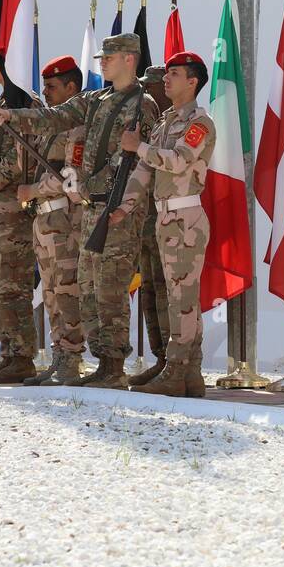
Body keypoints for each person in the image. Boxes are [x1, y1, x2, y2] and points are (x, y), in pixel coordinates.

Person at [0, 34, 157, 389]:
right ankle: (99, 361)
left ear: (129, 59)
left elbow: (130, 159)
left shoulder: (142, 103)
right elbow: (54, 117)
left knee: (110, 287)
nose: (102, 63)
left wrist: (97, 188)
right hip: (93, 205)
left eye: (108, 57)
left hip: (118, 206)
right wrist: (12, 116)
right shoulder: (96, 99)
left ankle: (113, 365)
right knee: (91, 288)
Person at [119, 50, 215, 397]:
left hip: (186, 217)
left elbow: (177, 162)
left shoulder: (199, 123)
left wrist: (139, 147)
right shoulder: (165, 122)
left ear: (192, 82)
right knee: (179, 297)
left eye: (174, 74)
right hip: (166, 216)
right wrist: (123, 207)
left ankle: (178, 371)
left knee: (182, 299)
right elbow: (145, 173)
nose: (166, 79)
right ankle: (189, 374)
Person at [19, 55, 86, 386]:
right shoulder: (51, 128)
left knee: (66, 289)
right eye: (44, 86)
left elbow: (71, 176)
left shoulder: (75, 127)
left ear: (71, 87)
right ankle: (59, 355)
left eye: (52, 87)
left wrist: (33, 188)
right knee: (50, 292)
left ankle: (71, 360)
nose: (45, 93)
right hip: (44, 220)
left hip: (63, 218)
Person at [130, 64, 172, 387]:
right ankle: (160, 357)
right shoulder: (153, 127)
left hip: (167, 217)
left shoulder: (174, 128)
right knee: (148, 289)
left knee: (166, 289)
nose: (146, 92)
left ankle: (172, 359)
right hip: (144, 219)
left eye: (151, 86)